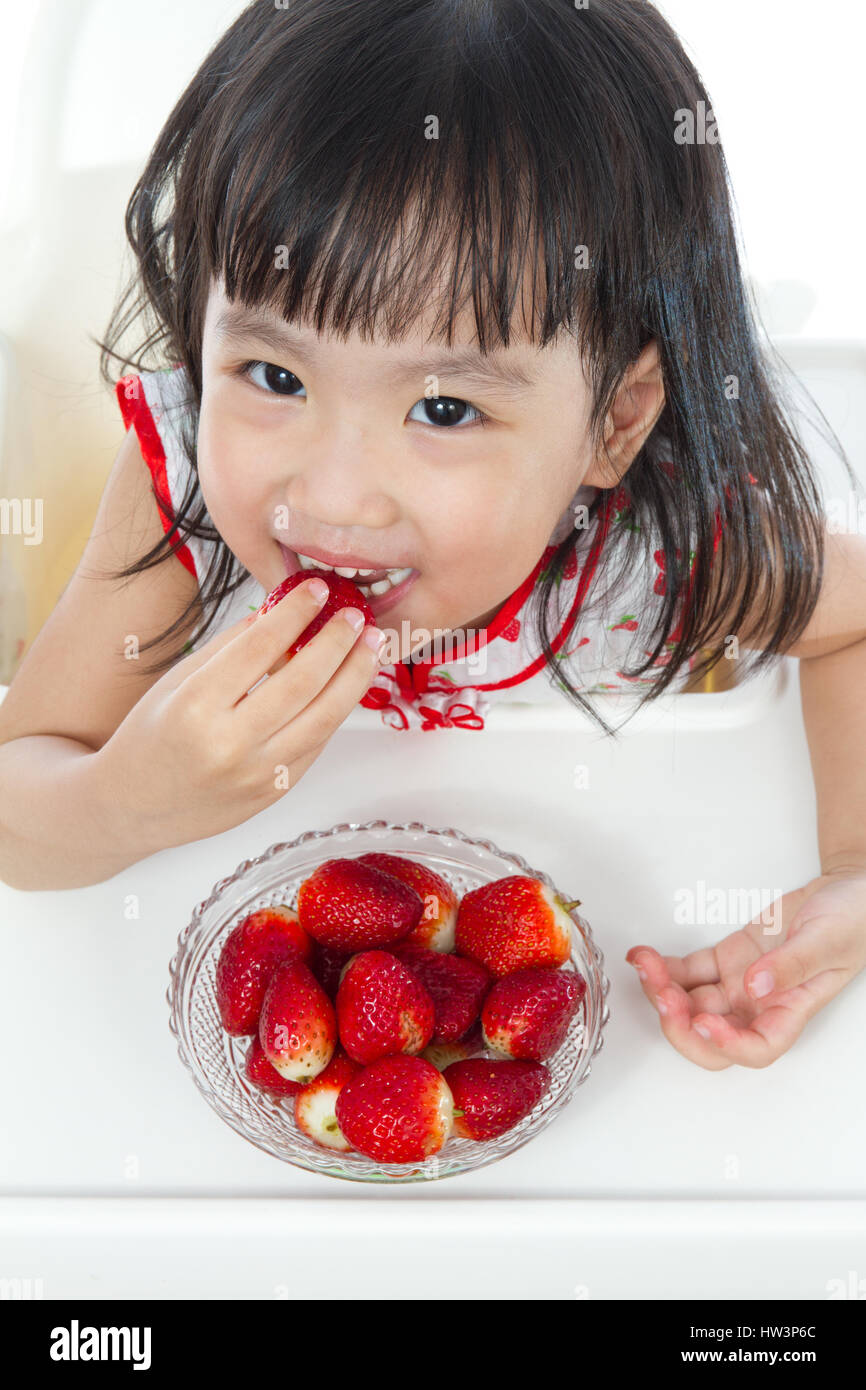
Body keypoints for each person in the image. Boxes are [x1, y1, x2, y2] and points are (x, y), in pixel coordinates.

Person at [1, 0, 865, 1071]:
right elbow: (18, 794)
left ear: (614, 422)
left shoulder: (646, 560)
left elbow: (851, 623)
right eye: (273, 376)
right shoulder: (181, 487)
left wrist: (850, 869)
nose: (336, 496)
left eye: (445, 410)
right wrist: (122, 802)